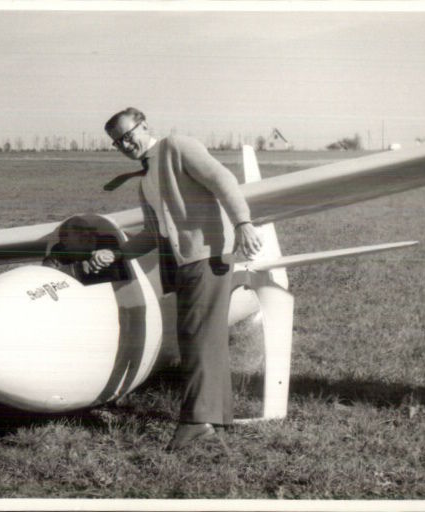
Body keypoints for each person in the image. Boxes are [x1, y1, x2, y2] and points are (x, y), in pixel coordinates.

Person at [92, 107, 262, 451]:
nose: (126, 144)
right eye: (118, 142)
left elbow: (222, 179)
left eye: (129, 135)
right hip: (186, 263)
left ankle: (197, 422)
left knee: (196, 337)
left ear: (145, 126)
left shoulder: (177, 146)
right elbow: (154, 235)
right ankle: (215, 418)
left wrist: (243, 222)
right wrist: (117, 253)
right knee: (203, 338)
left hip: (208, 255)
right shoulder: (146, 178)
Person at [42, 216, 124, 285]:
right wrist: (80, 269)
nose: (86, 233)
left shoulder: (108, 246)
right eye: (78, 230)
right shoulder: (54, 260)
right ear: (64, 240)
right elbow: (48, 279)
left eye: (90, 230)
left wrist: (108, 255)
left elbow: (122, 252)